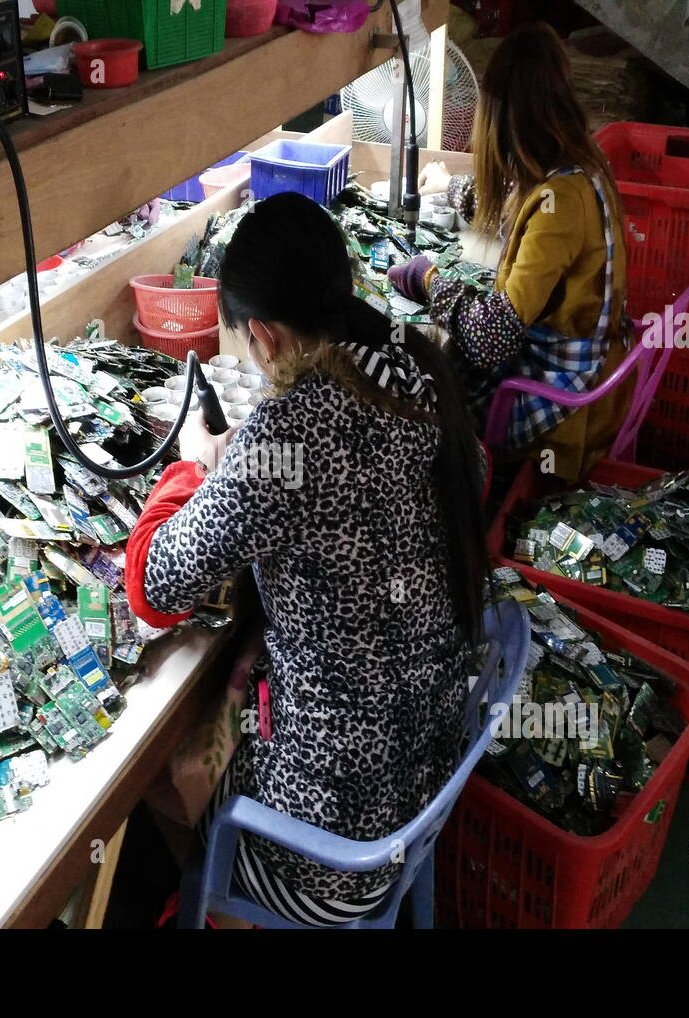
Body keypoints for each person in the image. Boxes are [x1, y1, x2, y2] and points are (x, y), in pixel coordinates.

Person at [125, 192, 489, 927]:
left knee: (160, 790)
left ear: (261, 336)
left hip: (333, 858)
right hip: (427, 791)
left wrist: (193, 467)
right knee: (244, 684)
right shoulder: (413, 363)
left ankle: (213, 906)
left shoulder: (289, 436)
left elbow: (152, 588)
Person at [389, 21, 631, 482]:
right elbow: (523, 215)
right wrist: (452, 187)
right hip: (596, 362)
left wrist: (429, 280)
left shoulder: (562, 206)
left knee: (425, 398)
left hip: (558, 392)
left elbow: (490, 339)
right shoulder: (581, 166)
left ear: (502, 119)